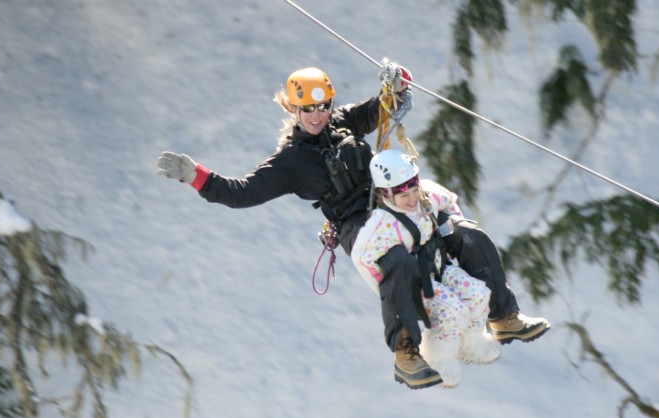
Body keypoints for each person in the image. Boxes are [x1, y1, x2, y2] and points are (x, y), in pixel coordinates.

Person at [155, 63, 549, 390]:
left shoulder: (343, 124)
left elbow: (380, 109)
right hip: (357, 228)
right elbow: (241, 192)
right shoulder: (290, 162)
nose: (317, 115)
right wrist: (196, 175)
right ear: (293, 109)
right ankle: (406, 353)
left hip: (392, 203)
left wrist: (395, 85)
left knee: (463, 233)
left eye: (323, 105)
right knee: (398, 262)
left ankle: (504, 316)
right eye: (308, 109)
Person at [351, 149, 502, 388]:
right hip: (421, 283)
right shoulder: (383, 223)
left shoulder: (425, 199)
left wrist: (452, 229)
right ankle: (440, 358)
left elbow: (449, 200)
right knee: (453, 311)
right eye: (404, 196)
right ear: (386, 194)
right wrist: (386, 288)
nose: (412, 200)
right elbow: (361, 256)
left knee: (478, 293)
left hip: (440, 267)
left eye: (414, 190)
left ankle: (471, 343)